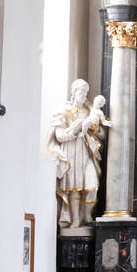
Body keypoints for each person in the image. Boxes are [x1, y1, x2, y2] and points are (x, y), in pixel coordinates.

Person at [47, 79, 108, 231]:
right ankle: (76, 221)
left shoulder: (90, 111)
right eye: (81, 92)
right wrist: (76, 127)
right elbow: (60, 136)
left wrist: (90, 126)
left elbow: (101, 134)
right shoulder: (64, 111)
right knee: (74, 187)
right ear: (74, 92)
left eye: (86, 92)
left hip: (86, 151)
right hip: (71, 151)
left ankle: (86, 214)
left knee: (92, 185)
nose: (84, 95)